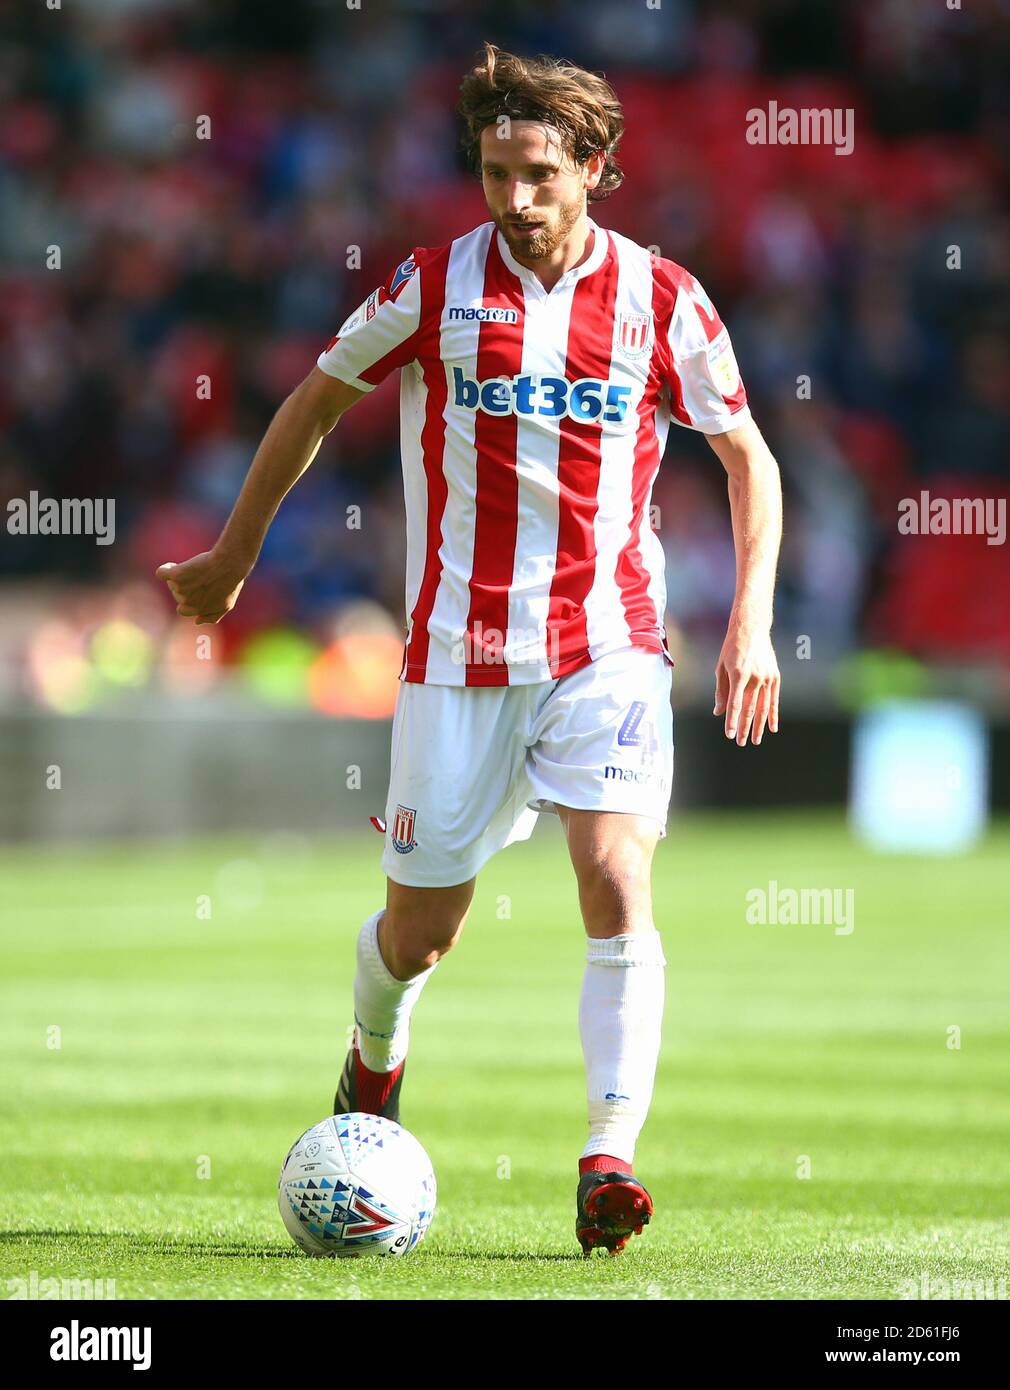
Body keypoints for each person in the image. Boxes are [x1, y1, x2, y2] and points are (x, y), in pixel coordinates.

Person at [157, 42, 782, 1257]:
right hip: (454, 654)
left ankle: (608, 1158)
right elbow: (316, 399)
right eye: (495, 172)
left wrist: (751, 617)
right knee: (420, 936)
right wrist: (233, 554)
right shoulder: (431, 286)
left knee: (615, 876)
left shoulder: (663, 296)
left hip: (609, 644)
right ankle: (373, 1057)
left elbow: (746, 455)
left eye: (539, 173)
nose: (513, 197)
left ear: (594, 168)